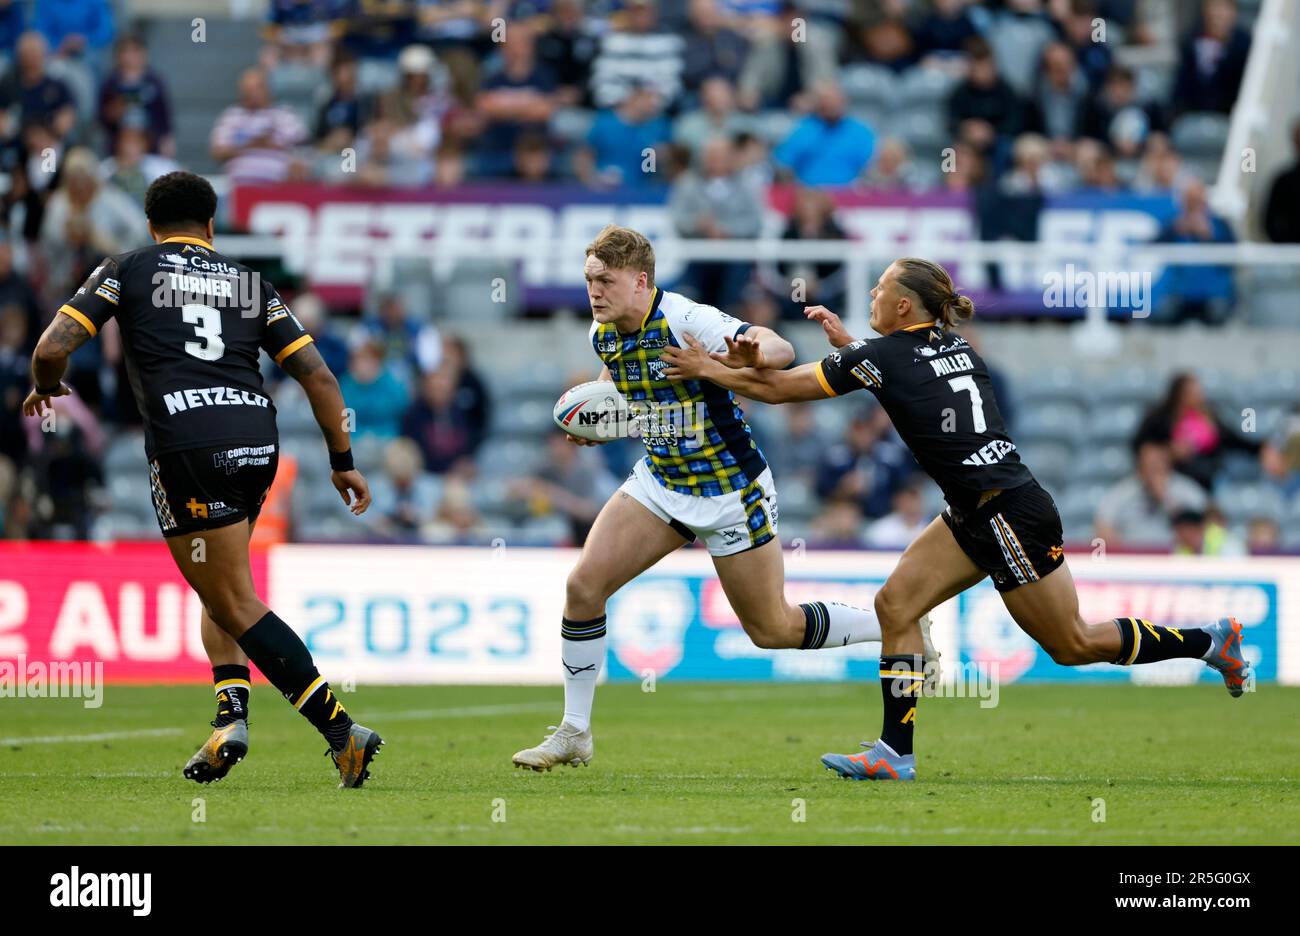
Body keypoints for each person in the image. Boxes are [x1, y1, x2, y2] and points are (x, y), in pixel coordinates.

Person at [661, 257, 1251, 782]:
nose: (867, 301)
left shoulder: (884, 355)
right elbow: (903, 379)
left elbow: (781, 390)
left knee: (1072, 643)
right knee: (896, 606)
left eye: (877, 293)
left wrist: (709, 369)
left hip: (1007, 516)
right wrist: (849, 353)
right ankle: (895, 752)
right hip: (977, 509)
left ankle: (1209, 641)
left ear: (900, 306)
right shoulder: (954, 345)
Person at [510, 226, 936, 772]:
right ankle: (573, 732)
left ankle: (894, 623)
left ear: (640, 281)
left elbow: (780, 351)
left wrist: (747, 352)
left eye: (606, 280)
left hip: (730, 489)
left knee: (772, 630)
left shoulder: (687, 319)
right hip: (662, 482)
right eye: (589, 278)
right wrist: (595, 420)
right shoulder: (604, 331)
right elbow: (621, 386)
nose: (594, 290)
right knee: (583, 586)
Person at [21, 171, 384, 788]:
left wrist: (47, 385)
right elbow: (320, 378)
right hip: (255, 440)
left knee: (232, 599)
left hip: (188, 444)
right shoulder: (249, 283)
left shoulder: (128, 268)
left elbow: (54, 343)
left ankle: (342, 731)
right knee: (221, 587)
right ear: (211, 226)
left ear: (150, 224)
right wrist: (341, 459)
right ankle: (230, 718)